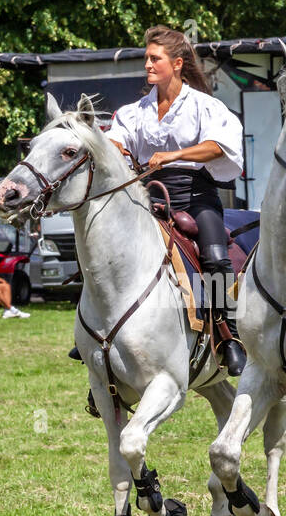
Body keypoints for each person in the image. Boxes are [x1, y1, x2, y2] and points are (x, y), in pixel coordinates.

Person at [105, 25, 246, 374]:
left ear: (178, 63)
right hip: (149, 200)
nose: (148, 65)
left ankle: (230, 335)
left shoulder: (205, 106)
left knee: (214, 257)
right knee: (107, 252)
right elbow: (116, 140)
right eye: (146, 59)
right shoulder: (133, 111)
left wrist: (173, 155)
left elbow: (219, 147)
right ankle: (98, 333)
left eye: (156, 59)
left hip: (196, 196)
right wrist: (115, 148)